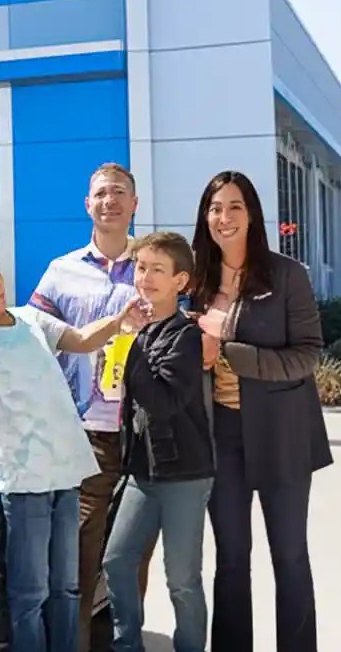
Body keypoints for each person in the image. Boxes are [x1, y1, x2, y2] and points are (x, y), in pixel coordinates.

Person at [0, 242, 145, 652]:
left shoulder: (31, 319)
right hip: (24, 480)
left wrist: (120, 321)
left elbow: (81, 339)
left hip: (65, 468)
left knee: (67, 585)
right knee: (30, 591)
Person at [191, 170, 331, 652]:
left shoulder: (287, 274)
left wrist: (229, 351)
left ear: (251, 214)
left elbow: (307, 355)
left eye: (235, 206)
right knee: (230, 560)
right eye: (215, 208)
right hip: (221, 436)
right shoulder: (197, 279)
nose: (224, 217)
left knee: (290, 557)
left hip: (282, 434)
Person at [27, 162, 155, 649]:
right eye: (101, 193)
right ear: (88, 204)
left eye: (119, 192)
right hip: (84, 435)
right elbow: (31, 337)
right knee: (79, 559)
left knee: (132, 558)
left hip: (144, 433)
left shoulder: (153, 267)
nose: (110, 201)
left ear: (134, 204)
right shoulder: (61, 271)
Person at [102, 232, 215, 652]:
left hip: (185, 474)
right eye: (141, 268)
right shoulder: (143, 331)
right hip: (142, 472)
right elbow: (120, 390)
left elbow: (163, 402)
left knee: (182, 578)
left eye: (157, 270)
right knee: (117, 560)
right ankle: (126, 645)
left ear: (180, 281)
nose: (145, 277)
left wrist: (128, 345)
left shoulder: (186, 336)